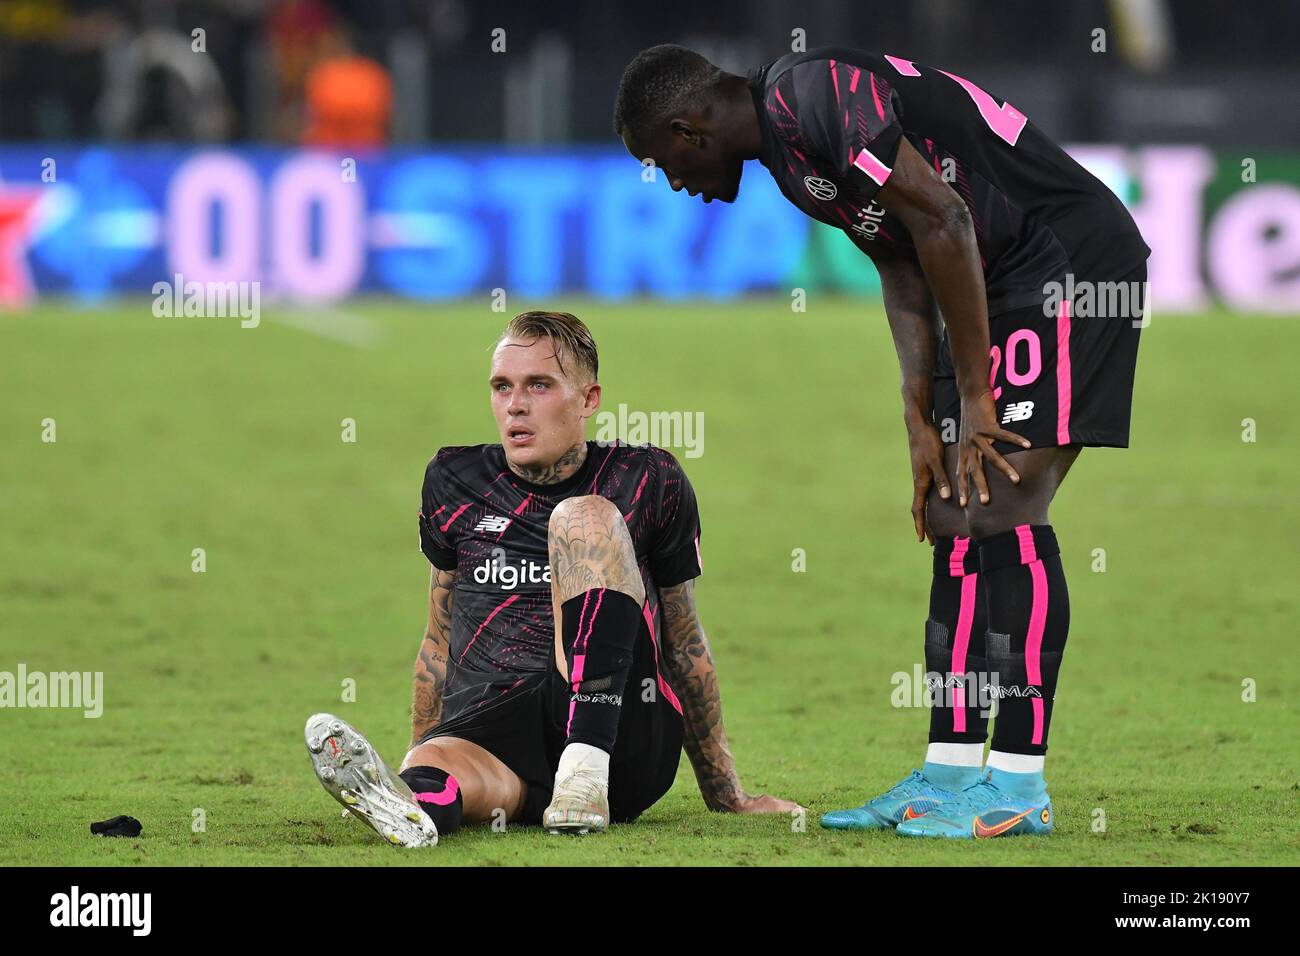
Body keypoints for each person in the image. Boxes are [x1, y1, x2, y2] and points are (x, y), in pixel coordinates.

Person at [614, 45, 1149, 838]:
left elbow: (946, 217)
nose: (675, 184)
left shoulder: (811, 94)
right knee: (952, 512)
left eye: (663, 164)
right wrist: (918, 418)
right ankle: (949, 770)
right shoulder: (789, 157)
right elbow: (902, 265)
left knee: (1004, 503)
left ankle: (1017, 784)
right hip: (989, 278)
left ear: (687, 129)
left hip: (1065, 258)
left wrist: (976, 398)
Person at [306, 310, 798, 845]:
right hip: (497, 734)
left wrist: (726, 793)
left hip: (622, 739)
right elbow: (439, 637)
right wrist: (422, 751)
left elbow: (683, 640)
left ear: (588, 399)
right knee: (440, 777)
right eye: (502, 387)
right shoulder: (453, 479)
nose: (515, 404)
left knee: (581, 517)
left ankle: (583, 774)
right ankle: (411, 805)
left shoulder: (647, 479)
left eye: (538, 385)